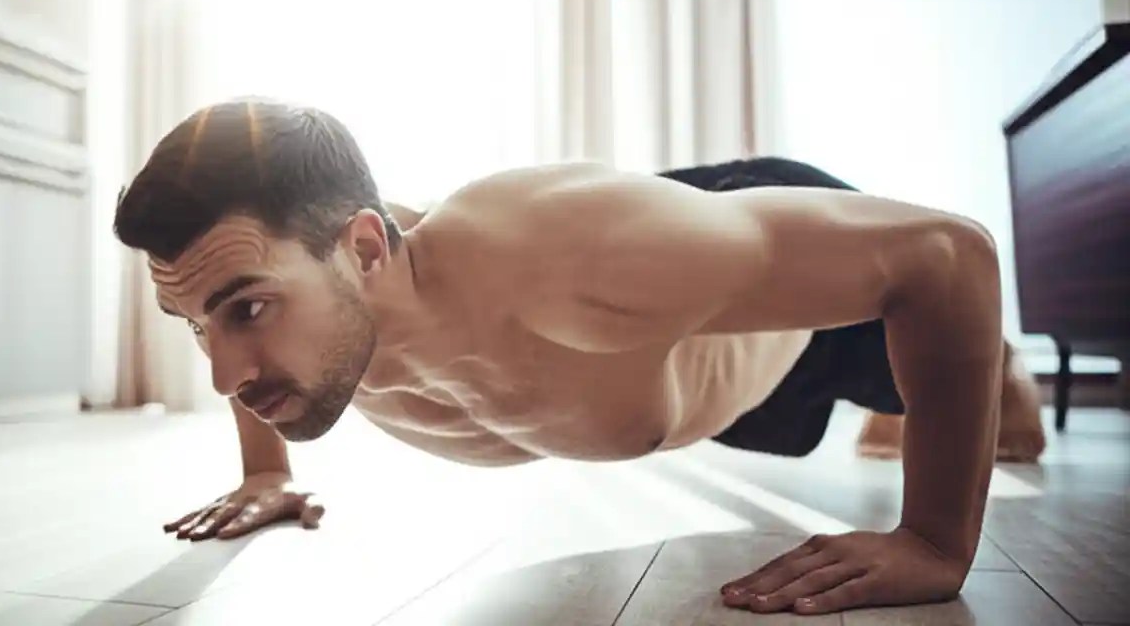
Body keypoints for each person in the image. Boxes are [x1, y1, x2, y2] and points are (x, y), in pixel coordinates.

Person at [112, 98, 1046, 616]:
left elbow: (948, 255)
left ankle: (996, 366)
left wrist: (931, 541)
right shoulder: (298, 306)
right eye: (196, 326)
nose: (225, 372)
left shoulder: (557, 256)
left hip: (772, 321)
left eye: (246, 312)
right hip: (666, 380)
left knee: (975, 397)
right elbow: (236, 292)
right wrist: (267, 471)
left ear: (364, 249)